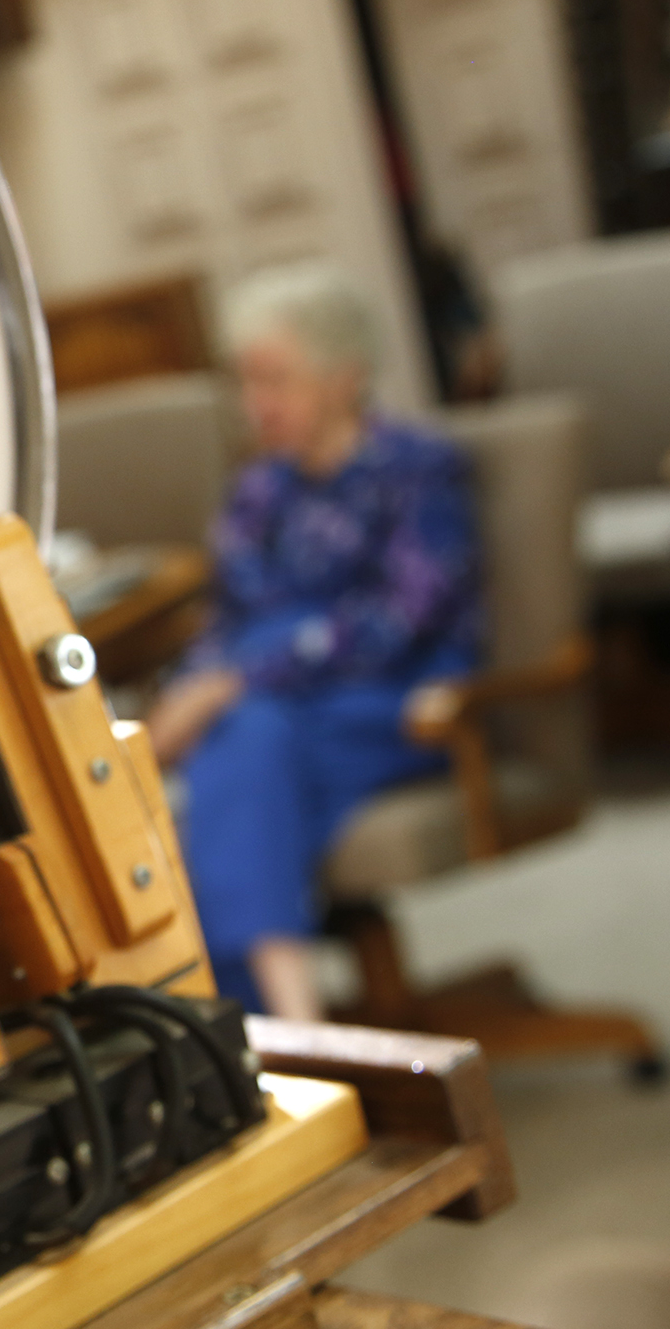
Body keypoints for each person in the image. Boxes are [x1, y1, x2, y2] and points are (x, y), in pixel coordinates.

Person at [147, 263, 482, 1019]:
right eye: (245, 382)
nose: (255, 404)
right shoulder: (259, 491)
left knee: (237, 751)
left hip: (397, 703)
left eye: (276, 381)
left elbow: (403, 620)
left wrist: (232, 685)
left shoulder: (416, 471)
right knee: (249, 755)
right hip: (276, 715)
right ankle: (290, 1012)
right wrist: (190, 692)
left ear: (344, 377)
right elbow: (225, 621)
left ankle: (272, 1024)